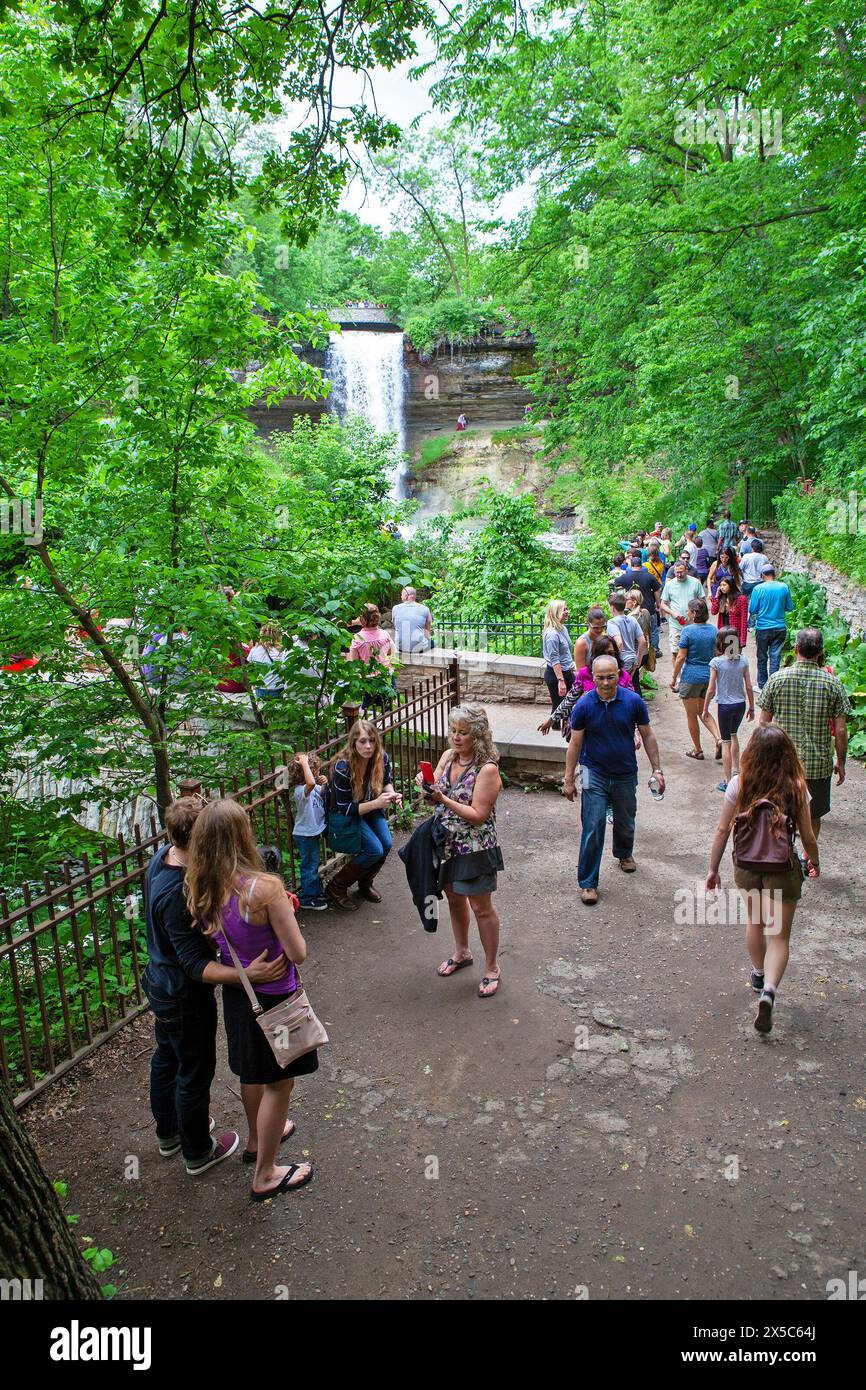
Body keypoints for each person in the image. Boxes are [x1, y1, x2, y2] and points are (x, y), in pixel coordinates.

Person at [143, 796, 288, 1176]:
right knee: (194, 1070)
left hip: (158, 981)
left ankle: (170, 1132)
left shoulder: (164, 858)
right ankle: (197, 1150)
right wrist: (247, 975)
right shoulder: (177, 893)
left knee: (167, 1058)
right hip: (181, 994)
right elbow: (195, 965)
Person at [187, 799, 315, 1200]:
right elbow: (298, 953)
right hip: (276, 998)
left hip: (240, 997)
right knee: (280, 1082)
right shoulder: (266, 890)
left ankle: (257, 1140)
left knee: (252, 1072)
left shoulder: (201, 888)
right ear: (243, 835)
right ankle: (265, 1174)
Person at [705, 724, 820, 1034]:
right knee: (779, 935)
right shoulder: (796, 786)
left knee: (755, 922)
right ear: (787, 754)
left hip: (746, 865)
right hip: (782, 868)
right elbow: (808, 835)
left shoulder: (739, 784)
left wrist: (713, 869)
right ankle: (770, 991)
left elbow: (722, 830)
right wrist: (814, 860)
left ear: (751, 753)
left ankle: (757, 974)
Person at [564, 656, 665, 905]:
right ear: (593, 676)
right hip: (592, 772)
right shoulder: (584, 705)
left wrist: (657, 769)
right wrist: (568, 779)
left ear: (619, 674)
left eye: (611, 676)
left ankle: (623, 853)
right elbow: (575, 743)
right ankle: (588, 882)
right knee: (593, 824)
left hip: (625, 772)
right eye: (600, 677)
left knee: (626, 819)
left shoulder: (632, 701)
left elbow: (648, 735)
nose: (606, 682)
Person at [421, 706, 504, 997]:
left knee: (481, 908)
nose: (456, 737)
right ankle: (462, 952)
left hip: (476, 848)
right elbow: (434, 802)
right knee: (455, 900)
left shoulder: (488, 769)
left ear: (478, 735)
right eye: (453, 731)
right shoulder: (448, 757)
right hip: (446, 845)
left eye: (463, 732)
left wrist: (442, 797)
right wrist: (428, 792)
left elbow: (479, 814)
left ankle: (492, 967)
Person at [757, 627, 851, 855]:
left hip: (782, 765)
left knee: (779, 811)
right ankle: (808, 857)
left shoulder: (777, 679)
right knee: (813, 814)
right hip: (817, 765)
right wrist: (840, 761)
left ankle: (784, 854)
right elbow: (840, 730)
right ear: (820, 653)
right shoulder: (833, 684)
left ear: (796, 648)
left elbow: (763, 725)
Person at [326, 720, 402, 908]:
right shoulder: (342, 768)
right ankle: (336, 886)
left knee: (386, 844)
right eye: (362, 741)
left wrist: (391, 793)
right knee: (374, 849)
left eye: (372, 740)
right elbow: (346, 808)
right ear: (353, 743)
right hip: (351, 813)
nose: (368, 746)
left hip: (370, 807)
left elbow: (386, 780)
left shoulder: (381, 758)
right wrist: (377, 802)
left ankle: (365, 883)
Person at [703, 627, 754, 791]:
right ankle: (737, 773)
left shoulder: (716, 663)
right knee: (734, 736)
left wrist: (705, 709)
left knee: (725, 742)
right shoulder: (743, 660)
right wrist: (752, 706)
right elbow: (748, 686)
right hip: (740, 704)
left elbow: (711, 689)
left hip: (725, 706)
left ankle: (727, 781)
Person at [671, 597, 722, 761]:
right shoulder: (714, 630)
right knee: (703, 711)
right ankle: (718, 739)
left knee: (691, 715)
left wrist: (674, 678)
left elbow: (680, 657)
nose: (687, 612)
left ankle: (698, 749)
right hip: (708, 677)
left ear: (694, 613)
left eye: (688, 610)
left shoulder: (688, 631)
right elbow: (718, 653)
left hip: (691, 677)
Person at [290, 753, 329, 911]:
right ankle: (307, 898)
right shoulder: (300, 791)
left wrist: (325, 784)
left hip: (312, 832)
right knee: (309, 866)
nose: (319, 773)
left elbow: (322, 794)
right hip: (305, 834)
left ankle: (315, 891)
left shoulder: (314, 788)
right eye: (317, 770)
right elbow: (311, 783)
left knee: (313, 863)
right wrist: (305, 763)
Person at [748, 563, 793, 689]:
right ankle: (773, 685)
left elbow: (753, 610)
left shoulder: (758, 589)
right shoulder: (784, 587)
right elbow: (789, 607)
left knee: (762, 657)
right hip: (780, 627)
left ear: (762, 575)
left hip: (763, 628)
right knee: (775, 656)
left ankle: (762, 684)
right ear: (774, 574)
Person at [346, 604, 397, 707]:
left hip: (368, 680)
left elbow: (355, 663)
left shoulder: (357, 638)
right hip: (386, 676)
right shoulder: (385, 634)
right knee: (387, 710)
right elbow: (391, 652)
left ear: (362, 619)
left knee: (368, 712)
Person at [660, 558, 705, 672]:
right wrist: (672, 613)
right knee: (675, 651)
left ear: (686, 570)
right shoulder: (669, 585)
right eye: (677, 572)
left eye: (681, 572)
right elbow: (663, 604)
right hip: (675, 624)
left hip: (693, 624)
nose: (679, 575)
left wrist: (697, 614)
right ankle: (677, 677)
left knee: (693, 651)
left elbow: (702, 601)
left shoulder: (695, 582)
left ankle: (690, 674)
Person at [541, 599, 576, 718]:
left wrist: (572, 666)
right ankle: (557, 728)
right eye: (564, 609)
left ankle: (566, 728)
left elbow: (565, 653)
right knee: (558, 706)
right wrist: (561, 681)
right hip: (556, 675)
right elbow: (555, 659)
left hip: (567, 672)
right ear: (556, 612)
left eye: (567, 608)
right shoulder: (552, 635)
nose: (567, 612)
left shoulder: (562, 629)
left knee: (569, 704)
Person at [607, 591, 646, 695]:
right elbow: (642, 641)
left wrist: (615, 661)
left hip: (622, 660)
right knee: (630, 687)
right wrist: (638, 660)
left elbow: (619, 643)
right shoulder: (632, 619)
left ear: (613, 608)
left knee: (619, 690)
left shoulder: (612, 622)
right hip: (633, 659)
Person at [613, 549, 660, 622]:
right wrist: (658, 603)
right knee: (653, 632)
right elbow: (657, 590)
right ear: (641, 565)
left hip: (633, 610)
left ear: (631, 565)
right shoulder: (650, 576)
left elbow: (615, 583)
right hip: (649, 609)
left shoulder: (625, 577)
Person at [247, 622, 287, 699]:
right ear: (278, 635)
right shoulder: (282, 651)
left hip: (261, 690)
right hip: (277, 690)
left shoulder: (255, 649)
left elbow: (250, 669)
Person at [391, 587, 433, 655]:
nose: (401, 597)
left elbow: (396, 626)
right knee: (432, 642)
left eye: (401, 594)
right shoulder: (425, 609)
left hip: (400, 648)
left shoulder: (395, 608)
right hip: (420, 648)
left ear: (406, 596)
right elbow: (428, 632)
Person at [711, 575, 748, 648]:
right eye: (721, 585)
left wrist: (742, 640)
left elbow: (744, 621)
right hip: (723, 632)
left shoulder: (741, 599)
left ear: (731, 585)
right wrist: (716, 597)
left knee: (734, 657)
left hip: (734, 634)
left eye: (724, 585)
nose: (722, 587)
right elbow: (713, 612)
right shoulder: (721, 598)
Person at [573, 606, 608, 671]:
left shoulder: (605, 638)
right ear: (588, 624)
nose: (600, 630)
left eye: (603, 626)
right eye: (596, 627)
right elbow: (581, 672)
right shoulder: (581, 643)